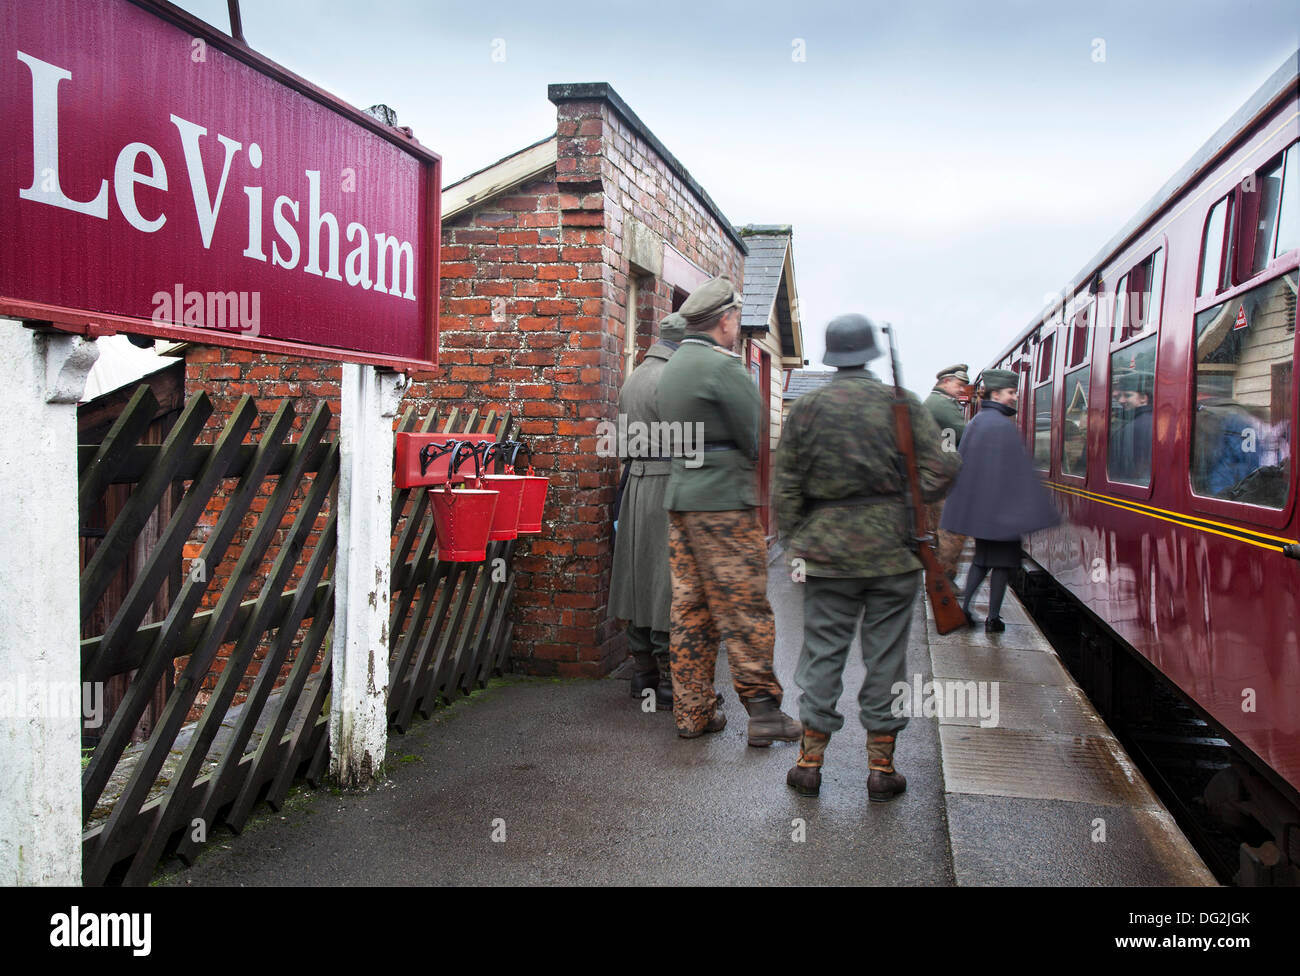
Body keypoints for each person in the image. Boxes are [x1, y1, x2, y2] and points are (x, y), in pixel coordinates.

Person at [775, 315, 959, 801]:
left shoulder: (808, 408)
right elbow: (942, 468)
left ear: (832, 355)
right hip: (893, 554)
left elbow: (787, 485)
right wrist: (908, 500)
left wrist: (802, 538)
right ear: (870, 356)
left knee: (822, 652)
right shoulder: (901, 404)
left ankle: (809, 762)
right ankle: (881, 767)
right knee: (885, 659)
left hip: (827, 553)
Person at [656, 275, 801, 745]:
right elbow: (752, 437)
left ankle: (692, 713)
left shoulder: (672, 367)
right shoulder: (725, 369)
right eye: (736, 318)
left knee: (690, 610)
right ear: (726, 319)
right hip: (724, 504)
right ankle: (763, 714)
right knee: (745, 608)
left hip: (682, 500)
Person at [940, 369, 1059, 633]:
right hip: (1003, 516)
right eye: (1011, 392)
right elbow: (1018, 473)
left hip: (983, 515)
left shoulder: (976, 423)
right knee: (1003, 566)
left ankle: (965, 609)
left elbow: (964, 466)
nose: (1015, 397)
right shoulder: (1002, 425)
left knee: (981, 562)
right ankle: (993, 618)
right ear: (996, 393)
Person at [609, 312, 687, 710]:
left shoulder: (635, 377)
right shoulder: (675, 379)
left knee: (637, 580)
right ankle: (672, 683)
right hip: (665, 486)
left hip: (634, 485)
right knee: (665, 586)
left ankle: (643, 676)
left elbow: (623, 441)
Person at [923, 363, 970, 578]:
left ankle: (941, 581)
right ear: (946, 382)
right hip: (941, 478)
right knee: (951, 532)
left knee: (941, 531)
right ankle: (944, 584)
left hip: (937, 476)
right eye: (959, 385)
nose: (962, 390)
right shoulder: (941, 405)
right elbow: (965, 435)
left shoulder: (940, 403)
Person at [1109, 371, 1154, 484]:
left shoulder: (1129, 429)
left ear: (1143, 398)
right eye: (1120, 396)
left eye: (1128, 395)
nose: (1121, 400)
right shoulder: (1163, 420)